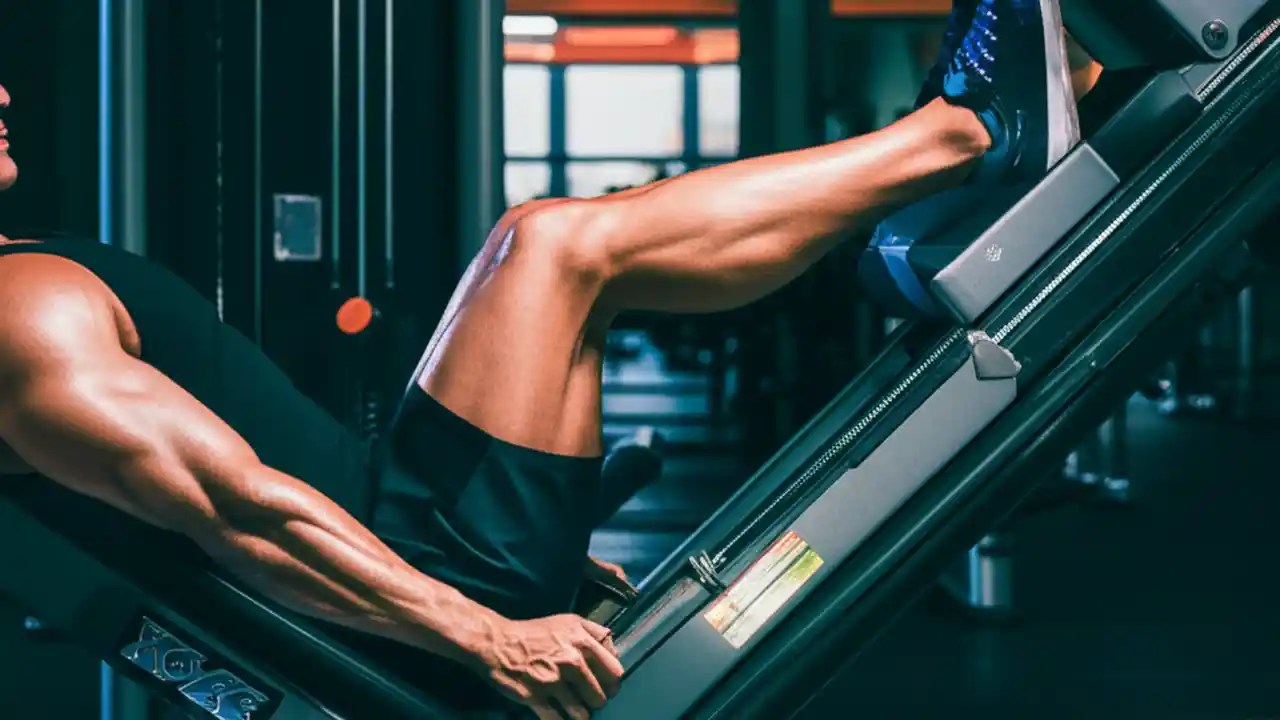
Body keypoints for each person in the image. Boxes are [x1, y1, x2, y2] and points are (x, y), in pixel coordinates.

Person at [0, 0, 1078, 717]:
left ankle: (964, 137)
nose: (6, 94)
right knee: (554, 245)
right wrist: (483, 630)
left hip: (412, 528)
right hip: (428, 571)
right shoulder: (8, 314)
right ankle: (966, 134)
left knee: (550, 242)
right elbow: (228, 509)